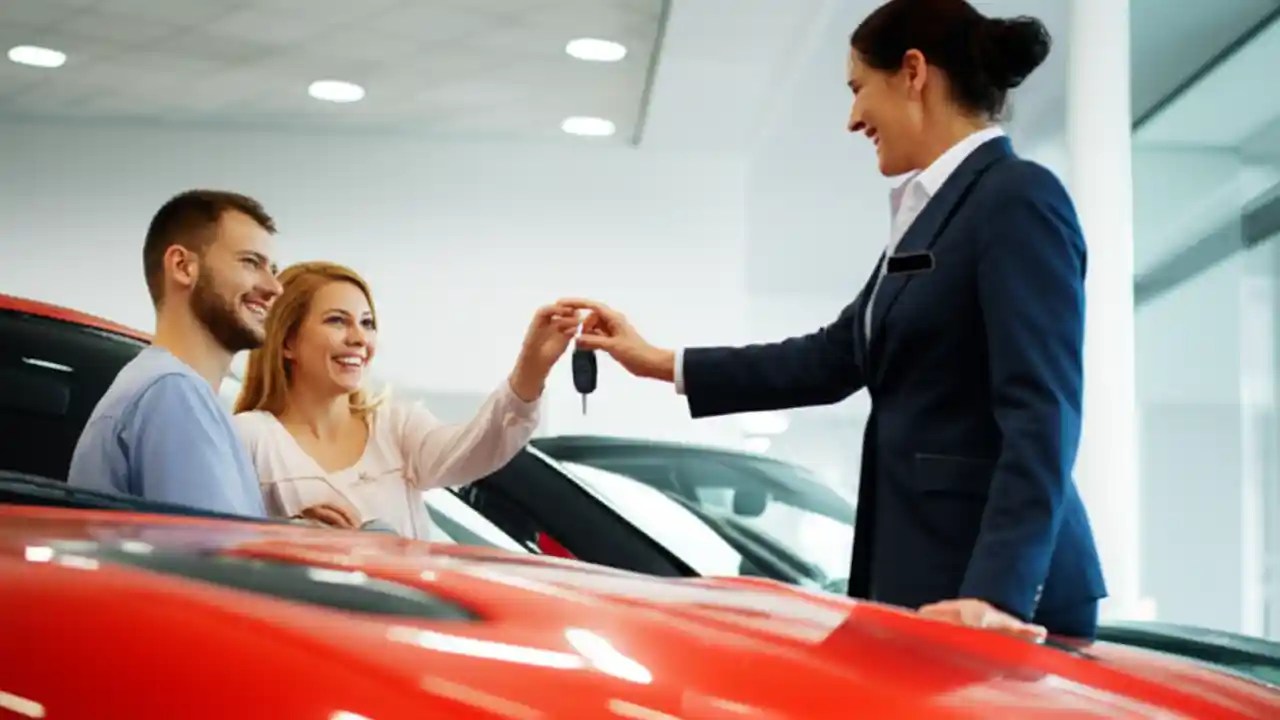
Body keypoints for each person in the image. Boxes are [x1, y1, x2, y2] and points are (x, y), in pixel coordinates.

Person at [563, 0, 1107, 641]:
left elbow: (1043, 412)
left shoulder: (1016, 198)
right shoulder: (936, 212)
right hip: (927, 580)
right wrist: (658, 362)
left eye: (857, 90)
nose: (852, 119)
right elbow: (834, 358)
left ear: (912, 73)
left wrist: (1000, 594)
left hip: (991, 598)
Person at [232, 261, 577, 538]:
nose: (358, 339)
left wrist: (532, 368)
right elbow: (215, 548)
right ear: (287, 342)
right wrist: (285, 534)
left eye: (367, 323)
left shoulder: (395, 425)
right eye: (337, 321)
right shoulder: (250, 438)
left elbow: (480, 448)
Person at [69, 190, 283, 517]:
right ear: (183, 267)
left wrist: (291, 531)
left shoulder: (171, 389)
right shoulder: (173, 393)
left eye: (274, 269)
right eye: (251, 263)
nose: (274, 288)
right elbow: (213, 562)